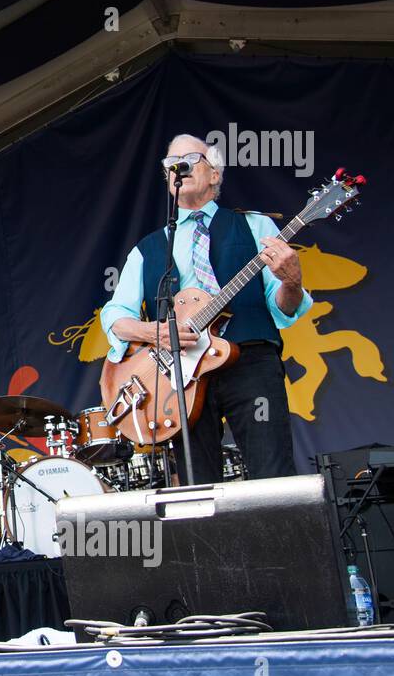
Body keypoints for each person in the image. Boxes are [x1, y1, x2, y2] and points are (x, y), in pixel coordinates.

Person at [100, 134, 312, 483]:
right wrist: (153, 332)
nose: (177, 168)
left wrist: (291, 281)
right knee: (197, 485)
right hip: (180, 379)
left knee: (272, 476)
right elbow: (115, 316)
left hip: (250, 360)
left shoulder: (255, 225)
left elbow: (284, 309)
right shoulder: (148, 249)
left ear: (215, 175)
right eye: (170, 165)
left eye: (190, 159)